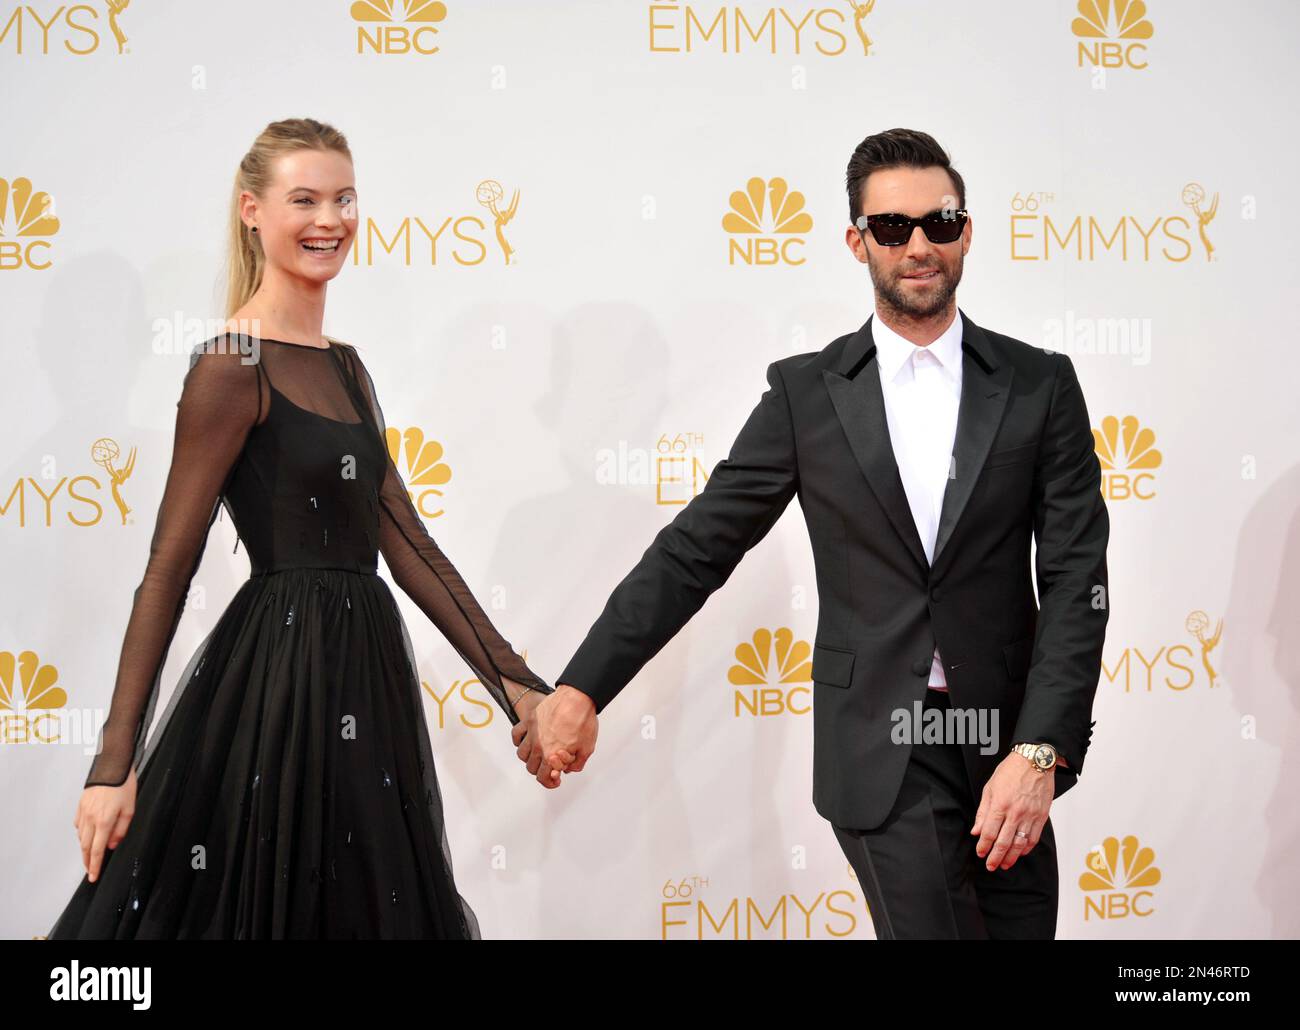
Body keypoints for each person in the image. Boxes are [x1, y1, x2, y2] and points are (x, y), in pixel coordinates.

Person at [532, 127, 1109, 939]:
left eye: (939, 224)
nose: (918, 245)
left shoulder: (1039, 384)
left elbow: (1078, 581)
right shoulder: (808, 395)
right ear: (857, 241)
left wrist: (1041, 751)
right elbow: (699, 548)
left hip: (1007, 744)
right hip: (884, 751)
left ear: (967, 231)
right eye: (892, 227)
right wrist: (584, 685)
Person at [47, 117, 561, 940]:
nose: (331, 219)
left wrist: (518, 687)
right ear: (252, 211)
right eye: (305, 199)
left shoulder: (347, 367)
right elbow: (167, 572)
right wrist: (114, 766)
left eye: (344, 198)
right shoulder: (229, 367)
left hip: (367, 677)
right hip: (277, 682)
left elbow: (407, 545)